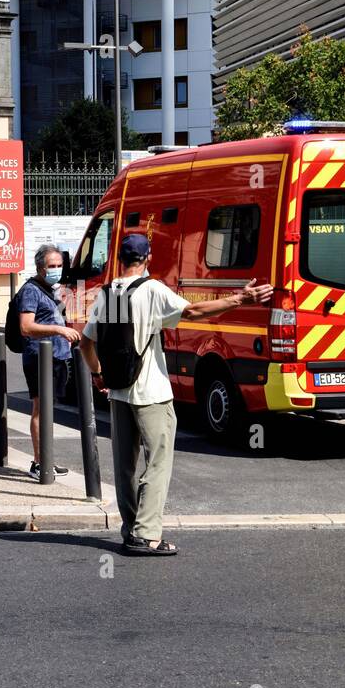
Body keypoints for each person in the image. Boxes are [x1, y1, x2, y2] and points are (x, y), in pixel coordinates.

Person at [80, 234, 273, 556]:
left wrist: (98, 373)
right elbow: (195, 312)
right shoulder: (151, 289)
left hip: (119, 391)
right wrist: (242, 299)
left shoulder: (107, 293)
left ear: (120, 258)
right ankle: (147, 535)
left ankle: (131, 531)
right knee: (157, 464)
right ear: (148, 258)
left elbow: (87, 343)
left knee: (125, 467)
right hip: (151, 392)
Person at [18, 243, 80, 480]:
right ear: (40, 268)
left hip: (54, 357)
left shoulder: (50, 289)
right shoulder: (31, 291)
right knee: (40, 409)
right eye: (52, 266)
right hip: (39, 357)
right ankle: (38, 463)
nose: (56, 269)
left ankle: (46, 460)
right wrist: (58, 330)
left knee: (47, 410)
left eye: (59, 265)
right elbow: (26, 327)